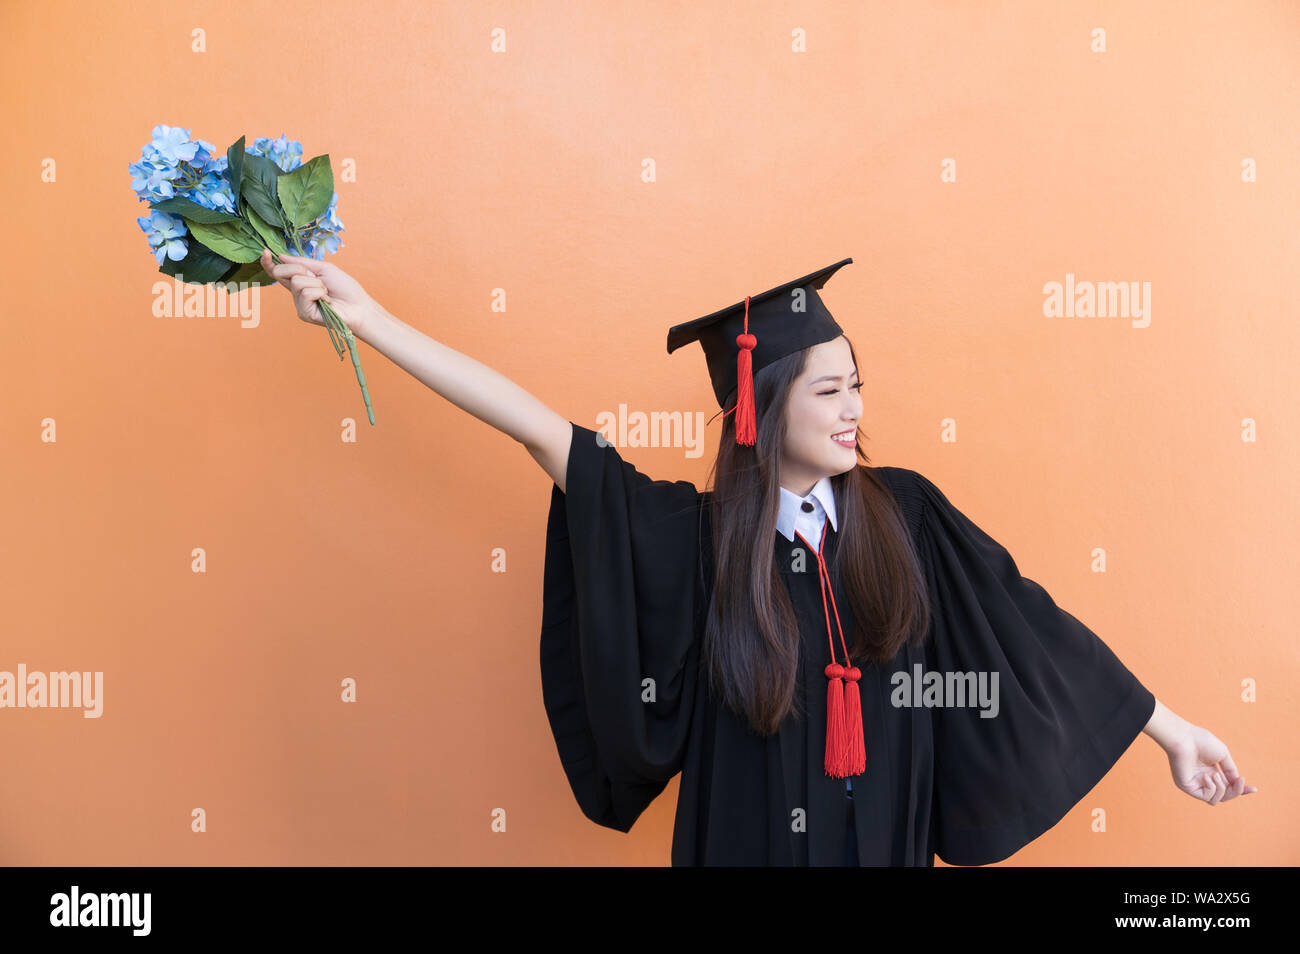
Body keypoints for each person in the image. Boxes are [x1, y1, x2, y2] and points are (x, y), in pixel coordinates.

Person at [259, 249, 1257, 866]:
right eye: (828, 391)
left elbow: (1026, 620)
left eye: (856, 384)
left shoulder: (901, 513)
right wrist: (368, 318)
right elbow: (535, 428)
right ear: (759, 405)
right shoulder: (696, 544)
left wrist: (1168, 729)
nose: (855, 408)